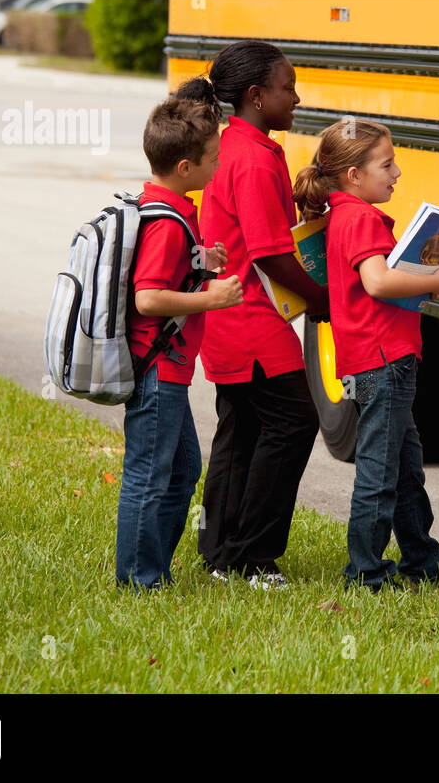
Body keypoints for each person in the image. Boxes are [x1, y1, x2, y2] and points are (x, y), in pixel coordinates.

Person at [176, 41, 328, 589]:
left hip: (222, 318)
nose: (297, 96)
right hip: (252, 322)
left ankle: (219, 551)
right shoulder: (258, 155)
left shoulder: (227, 145)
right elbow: (269, 253)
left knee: (240, 431)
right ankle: (254, 557)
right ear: (257, 96)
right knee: (292, 422)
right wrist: (319, 297)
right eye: (288, 87)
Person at [293, 119, 439, 591]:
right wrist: (434, 280)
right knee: (379, 472)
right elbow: (378, 282)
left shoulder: (342, 213)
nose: (397, 172)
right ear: (353, 175)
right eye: (386, 164)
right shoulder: (362, 218)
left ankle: (422, 563)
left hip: (375, 360)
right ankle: (364, 573)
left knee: (405, 468)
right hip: (384, 361)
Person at [116, 97, 243, 590]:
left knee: (183, 468)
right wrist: (213, 297)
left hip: (168, 369)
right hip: (157, 370)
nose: (219, 164)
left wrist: (201, 261)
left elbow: (166, 272)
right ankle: (140, 579)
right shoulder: (167, 222)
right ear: (186, 166)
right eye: (213, 157)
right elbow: (148, 299)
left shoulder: (164, 205)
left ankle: (154, 570)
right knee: (149, 477)